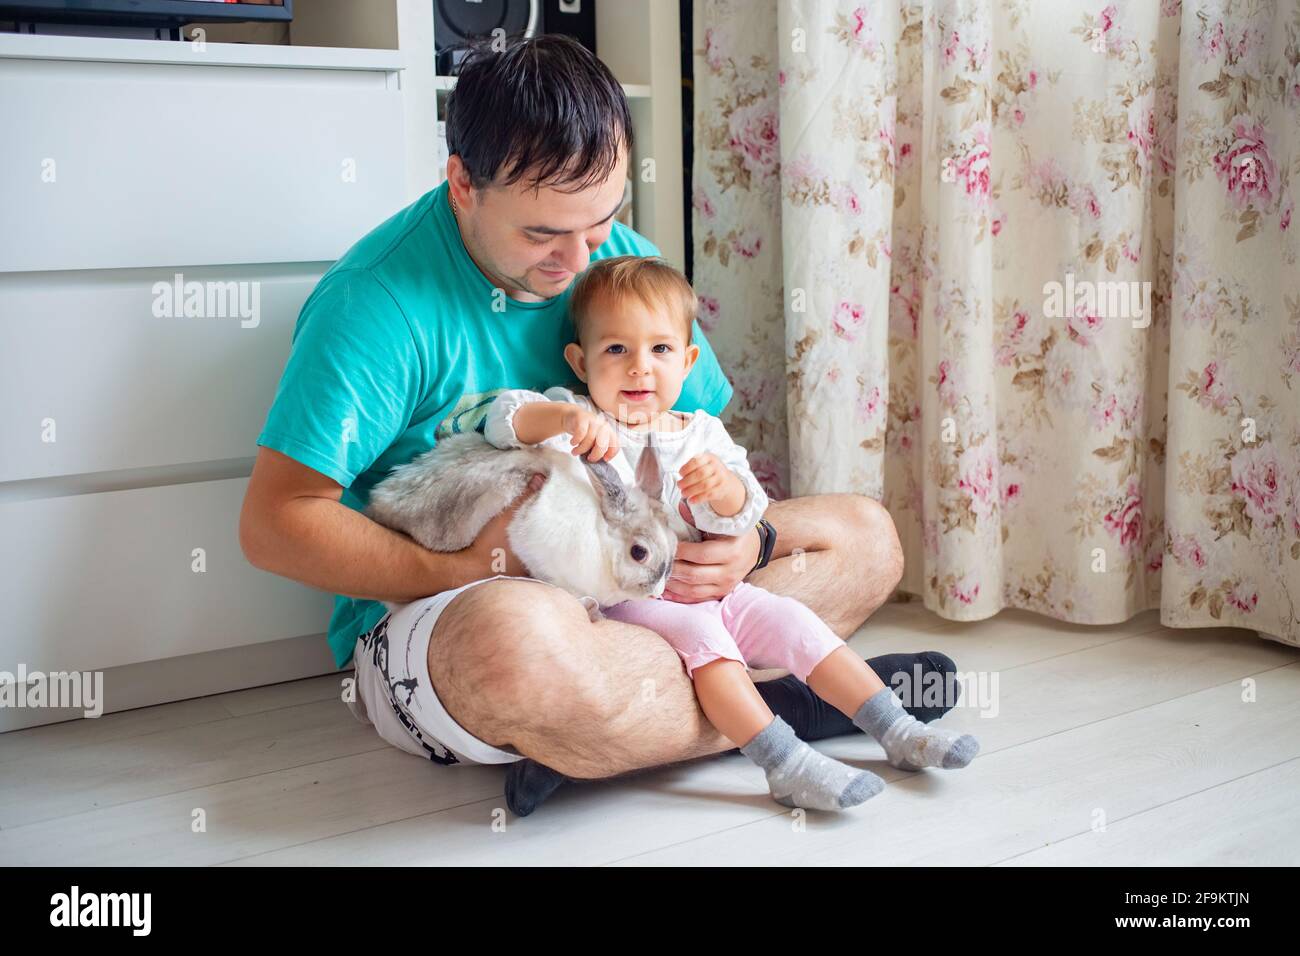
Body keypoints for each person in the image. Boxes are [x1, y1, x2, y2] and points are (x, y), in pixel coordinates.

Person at [238, 33, 959, 817]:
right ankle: (796, 705)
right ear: (462, 184)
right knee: (516, 650)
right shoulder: (373, 306)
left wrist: (746, 544)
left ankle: (608, 740)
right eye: (542, 235)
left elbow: (698, 437)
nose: (580, 259)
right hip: (467, 603)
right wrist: (467, 570)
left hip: (651, 579)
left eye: (600, 222)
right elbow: (276, 525)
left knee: (865, 535)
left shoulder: (617, 257)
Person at [480, 256, 977, 812]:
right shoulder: (578, 415)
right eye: (616, 350)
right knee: (710, 648)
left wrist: (723, 492)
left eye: (660, 350)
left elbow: (746, 513)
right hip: (634, 599)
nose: (640, 369)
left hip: (717, 588)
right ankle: (783, 761)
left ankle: (897, 729)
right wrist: (563, 421)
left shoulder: (701, 433)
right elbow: (504, 419)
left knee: (797, 623)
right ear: (580, 360)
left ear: (688, 360)